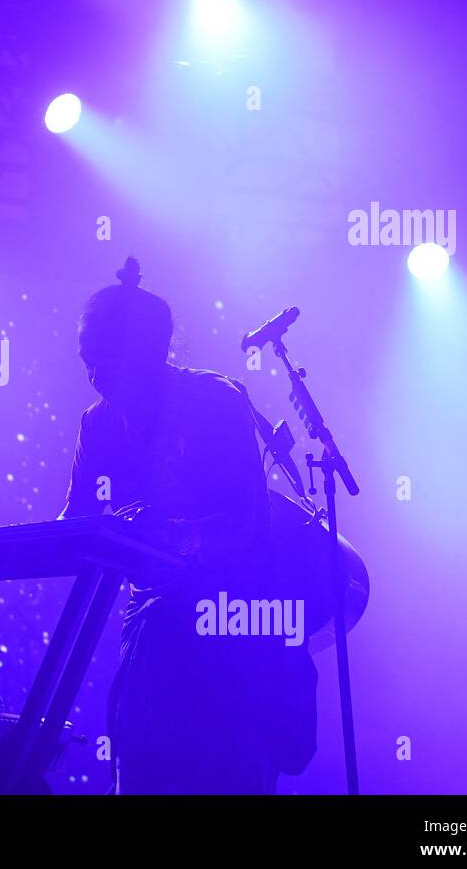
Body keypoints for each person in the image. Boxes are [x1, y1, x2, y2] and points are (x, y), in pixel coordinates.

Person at [60, 257, 309, 794]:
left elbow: (247, 523)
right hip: (151, 626)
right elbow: (76, 521)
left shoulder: (215, 400)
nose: (94, 376)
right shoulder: (95, 423)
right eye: (87, 361)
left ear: (148, 352)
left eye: (103, 359)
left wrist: (169, 537)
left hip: (230, 621)